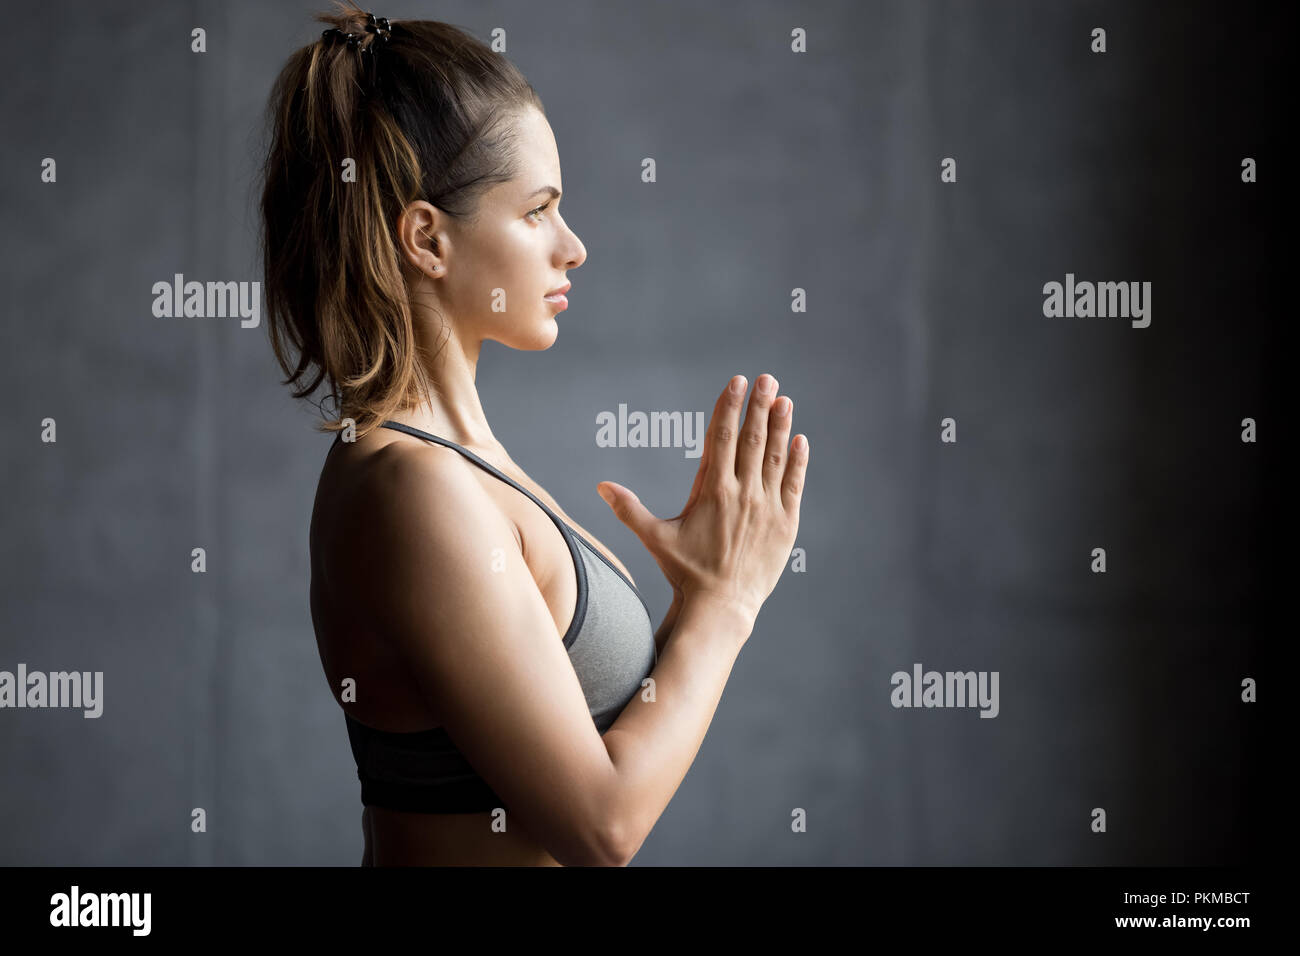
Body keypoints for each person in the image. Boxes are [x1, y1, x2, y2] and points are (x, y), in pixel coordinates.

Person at [258, 3, 809, 866]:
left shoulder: (462, 465)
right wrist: (724, 605)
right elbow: (601, 825)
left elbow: (582, 746)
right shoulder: (411, 489)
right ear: (427, 238)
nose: (574, 247)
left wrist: (700, 598)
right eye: (538, 211)